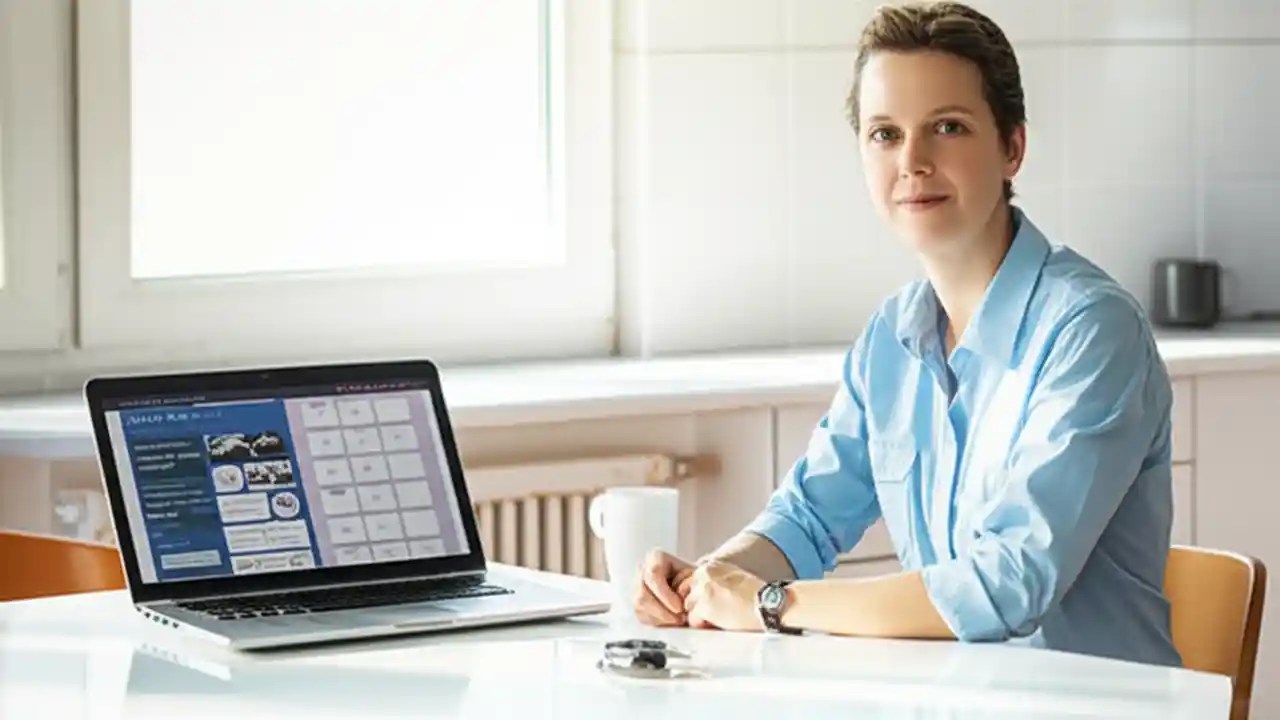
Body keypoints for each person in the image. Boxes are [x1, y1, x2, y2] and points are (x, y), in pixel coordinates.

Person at [634, 1, 1181, 667]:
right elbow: (808, 518)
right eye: (885, 134)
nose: (912, 161)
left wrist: (771, 603)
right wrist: (707, 581)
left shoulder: (1092, 332)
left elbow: (1008, 584)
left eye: (947, 127)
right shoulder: (890, 339)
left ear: (1013, 147)